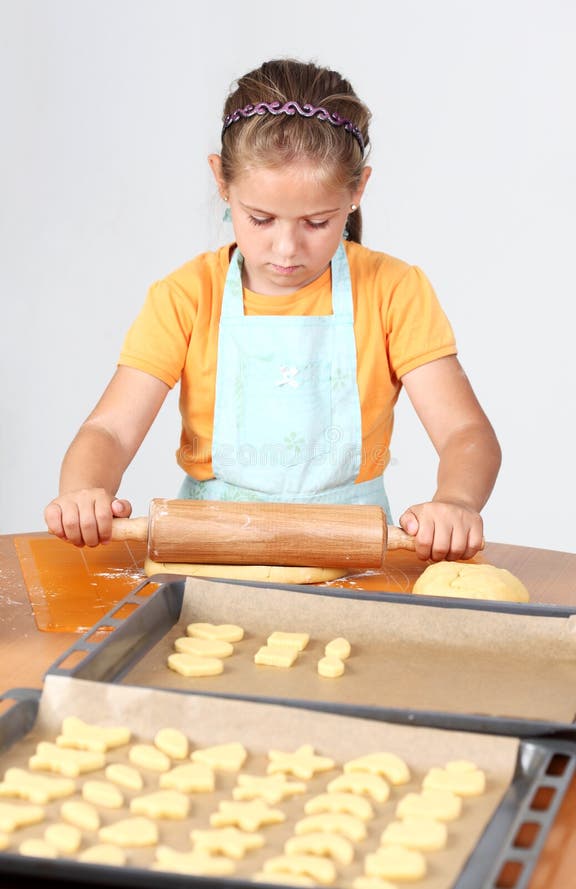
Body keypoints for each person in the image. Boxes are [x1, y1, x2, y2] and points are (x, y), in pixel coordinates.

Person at [44, 58, 501, 563]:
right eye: (260, 219)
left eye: (317, 222)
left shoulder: (393, 290)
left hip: (350, 559)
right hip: (211, 555)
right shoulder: (188, 296)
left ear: (357, 191)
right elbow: (109, 430)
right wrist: (85, 490)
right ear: (222, 181)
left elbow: (466, 433)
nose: (286, 249)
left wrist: (456, 502)